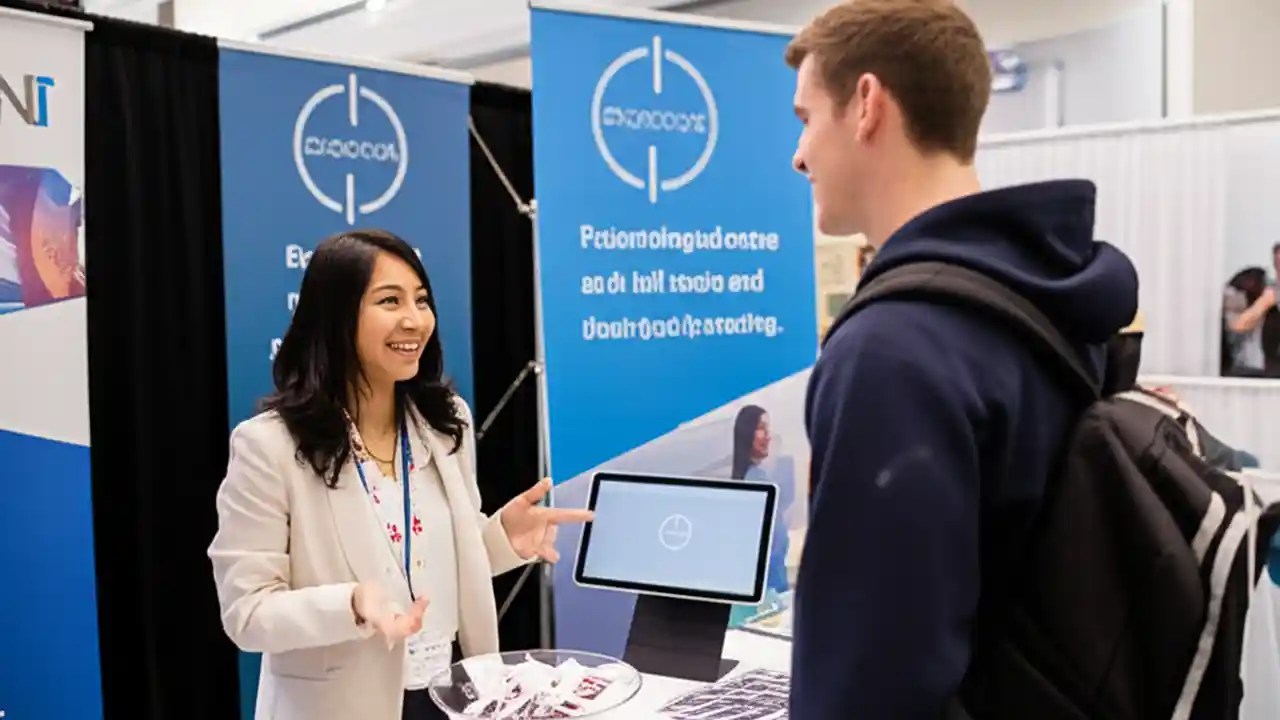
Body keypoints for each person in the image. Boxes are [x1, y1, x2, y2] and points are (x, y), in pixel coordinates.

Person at [784, 2, 1139, 718]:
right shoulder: (1054, 299)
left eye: (805, 118)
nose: (799, 155)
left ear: (865, 105)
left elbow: (871, 685)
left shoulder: (892, 352)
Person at [207, 229, 592, 720]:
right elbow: (247, 613)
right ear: (336, 315)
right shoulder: (269, 447)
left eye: (422, 300)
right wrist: (351, 603)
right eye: (389, 301)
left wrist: (497, 541)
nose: (415, 320)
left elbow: (437, 562)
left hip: (454, 696)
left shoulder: (445, 421)